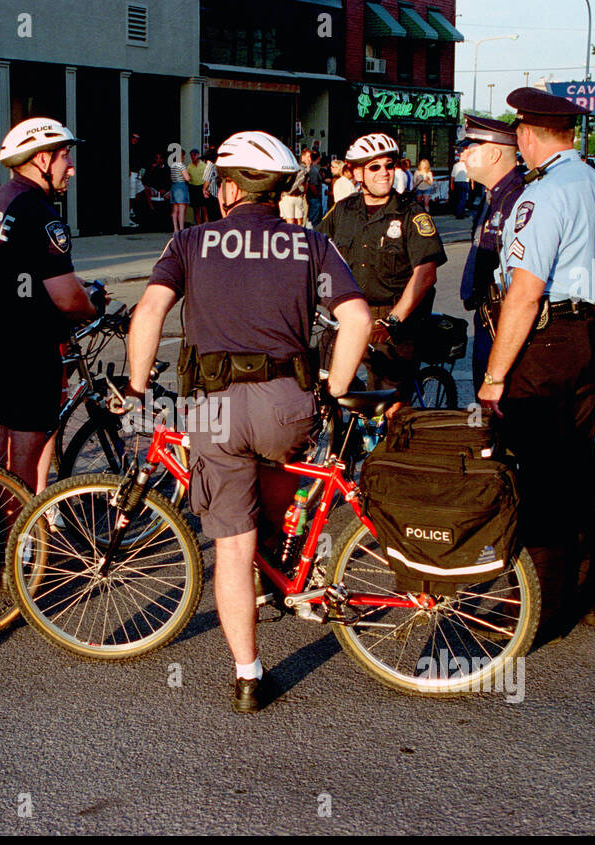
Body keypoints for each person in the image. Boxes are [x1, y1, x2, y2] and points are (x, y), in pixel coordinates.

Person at [121, 130, 372, 713]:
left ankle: (248, 677)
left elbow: (150, 311)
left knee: (232, 549)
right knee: (282, 465)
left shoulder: (188, 241)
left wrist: (136, 388)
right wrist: (333, 390)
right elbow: (355, 320)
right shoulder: (309, 243)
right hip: (289, 402)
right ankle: (289, 566)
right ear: (278, 190)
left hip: (214, 406)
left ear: (229, 187)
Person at [476, 87, 595, 641]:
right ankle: (588, 594)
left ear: (526, 134)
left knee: (536, 473)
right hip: (588, 334)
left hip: (542, 344)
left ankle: (538, 607)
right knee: (579, 468)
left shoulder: (540, 197)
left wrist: (495, 376)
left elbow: (524, 293)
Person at [0, 117, 100, 495]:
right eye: (65, 157)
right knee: (25, 451)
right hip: (26, 346)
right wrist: (91, 305)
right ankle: (18, 548)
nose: (71, 168)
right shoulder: (40, 213)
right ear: (42, 160)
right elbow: (67, 298)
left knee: (10, 438)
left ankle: (5, 533)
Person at [319, 132, 448, 403]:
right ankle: (337, 442)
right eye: (374, 167)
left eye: (389, 165)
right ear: (356, 173)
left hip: (394, 322)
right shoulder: (343, 210)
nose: (384, 173)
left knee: (387, 407)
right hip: (350, 315)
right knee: (324, 390)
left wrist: (393, 321)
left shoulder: (412, 213)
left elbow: (425, 274)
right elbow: (316, 252)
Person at [456, 114, 526, 395]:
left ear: (495, 153)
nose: (463, 154)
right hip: (488, 317)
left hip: (504, 322)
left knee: (503, 411)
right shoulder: (492, 196)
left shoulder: (519, 198)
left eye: (472, 146)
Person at [169, 146, 192, 233]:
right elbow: (187, 178)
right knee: (182, 209)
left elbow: (171, 177)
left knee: (175, 209)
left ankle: (175, 228)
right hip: (181, 187)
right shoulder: (181, 166)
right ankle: (182, 229)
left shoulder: (173, 166)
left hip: (174, 186)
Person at [186, 146, 210, 225]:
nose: (193, 157)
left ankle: (206, 226)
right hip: (193, 188)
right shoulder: (189, 167)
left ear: (198, 155)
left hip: (202, 187)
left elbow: (207, 178)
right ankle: (198, 227)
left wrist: (206, 189)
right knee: (196, 210)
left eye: (194, 155)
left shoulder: (204, 166)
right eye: (192, 155)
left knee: (204, 208)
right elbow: (187, 178)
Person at [450, 150, 471, 218]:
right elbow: (470, 175)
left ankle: (458, 212)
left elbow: (453, 176)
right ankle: (460, 213)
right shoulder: (467, 165)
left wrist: (451, 184)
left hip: (457, 182)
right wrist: (472, 183)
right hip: (465, 182)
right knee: (463, 199)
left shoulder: (456, 165)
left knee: (458, 198)